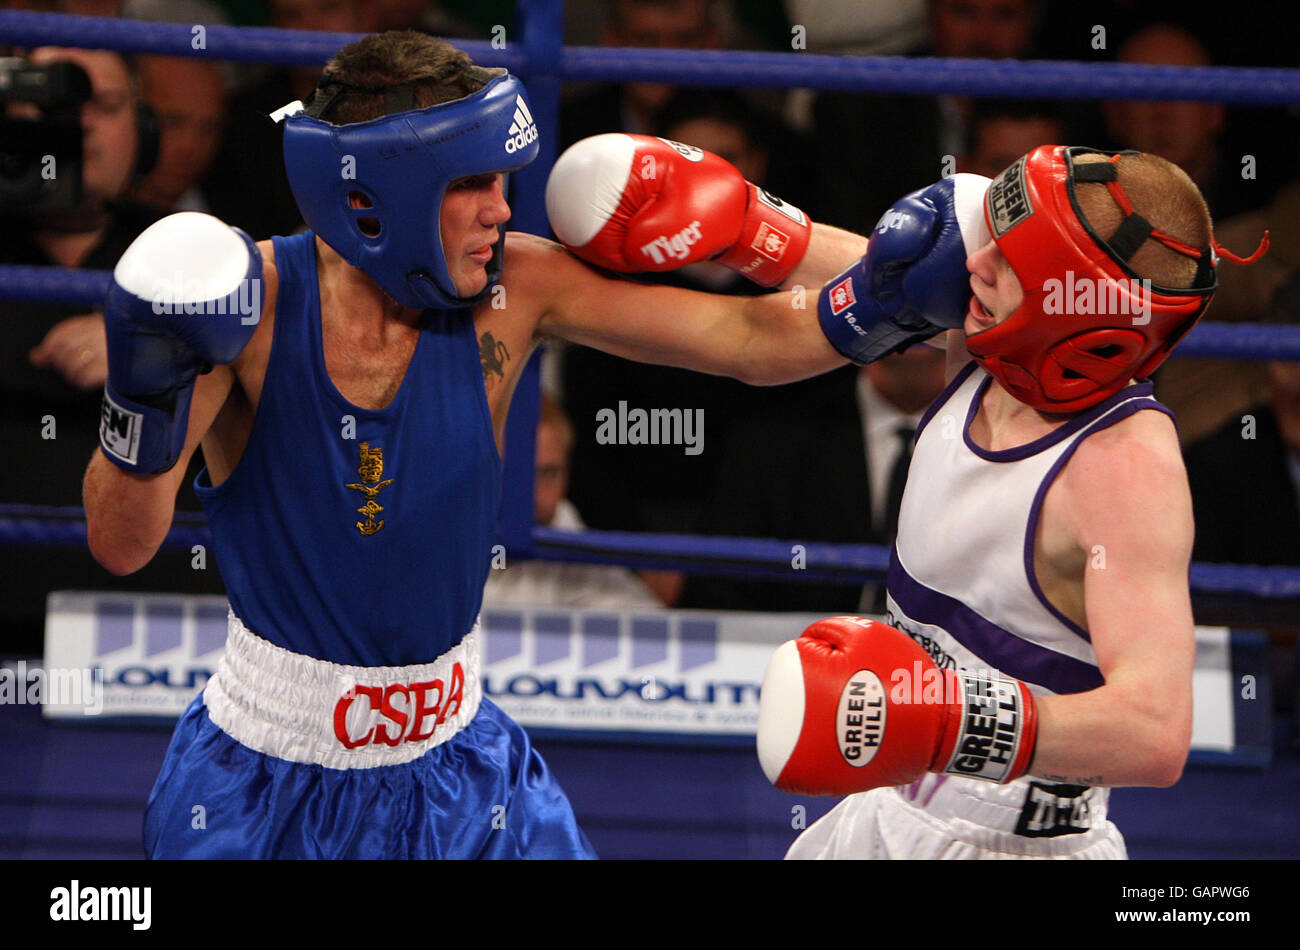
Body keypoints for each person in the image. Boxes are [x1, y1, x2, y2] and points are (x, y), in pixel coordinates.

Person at [82, 30, 908, 858]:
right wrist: (142, 395)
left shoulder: (518, 288)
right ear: (380, 194)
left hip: (465, 771)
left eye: (502, 181)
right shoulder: (244, 309)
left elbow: (751, 340)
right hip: (262, 786)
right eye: (472, 183)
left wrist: (876, 276)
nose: (503, 210)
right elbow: (121, 545)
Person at [756, 145, 1268, 859]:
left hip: (1018, 845)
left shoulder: (1125, 470)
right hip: (883, 808)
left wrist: (943, 723)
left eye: (1008, 264)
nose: (974, 264)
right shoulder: (988, 336)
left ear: (1070, 311)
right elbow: (888, 274)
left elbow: (1155, 732)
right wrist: (748, 226)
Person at [481, 397, 663, 609]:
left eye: (549, 473)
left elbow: (645, 627)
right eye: (515, 473)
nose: (534, 494)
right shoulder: (448, 538)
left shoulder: (570, 541)